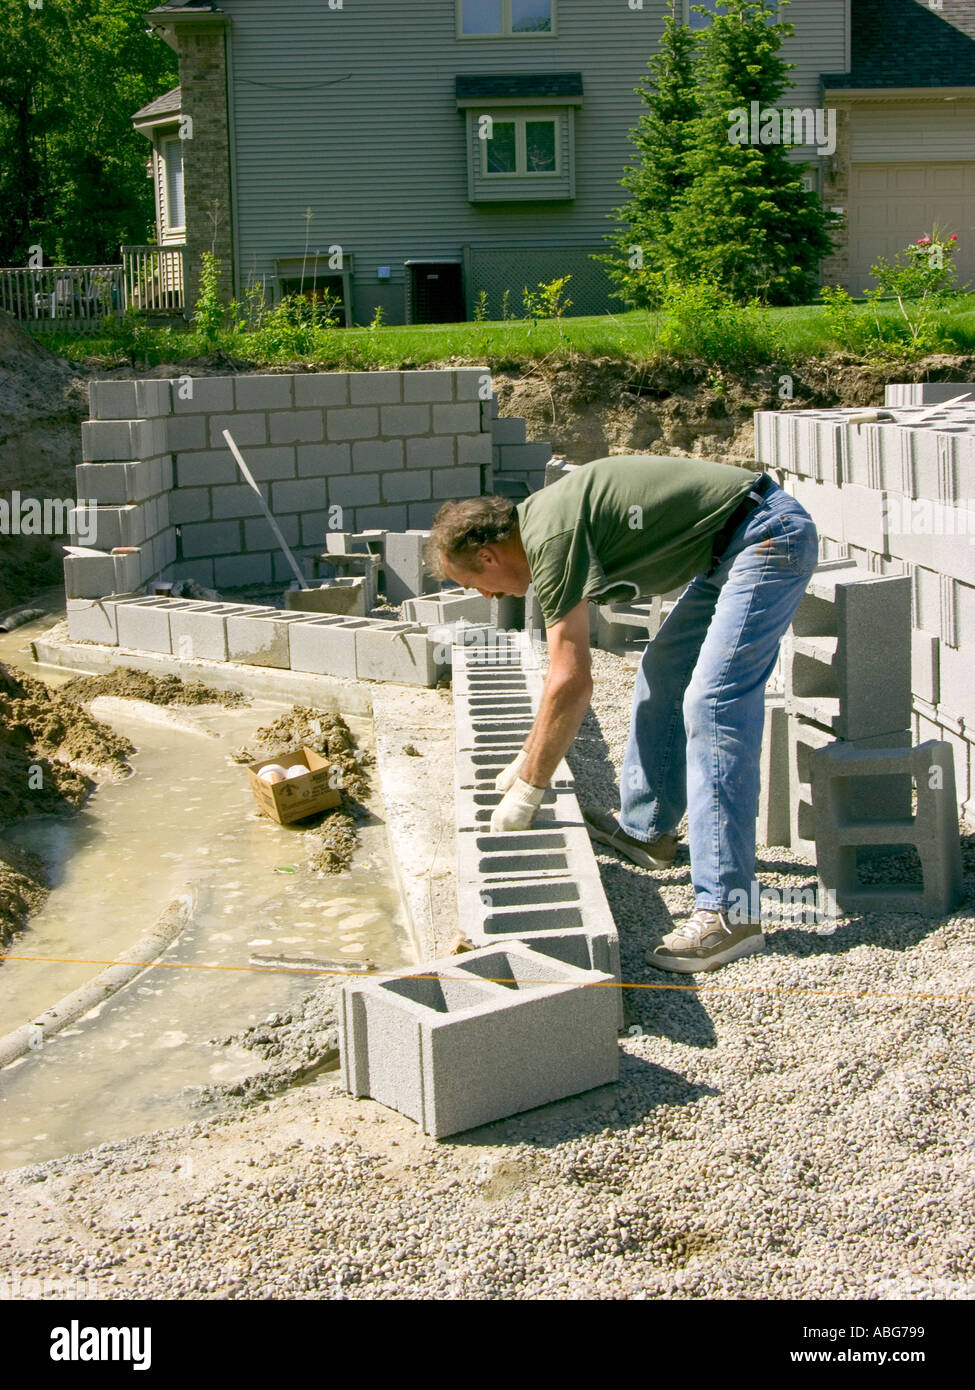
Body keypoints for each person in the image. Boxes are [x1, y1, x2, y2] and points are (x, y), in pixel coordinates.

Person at [426, 454, 819, 974]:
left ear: (489, 554)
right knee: (665, 669)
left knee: (713, 701)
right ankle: (648, 831)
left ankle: (730, 912)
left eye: (471, 581)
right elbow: (561, 679)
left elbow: (571, 680)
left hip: (767, 535)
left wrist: (531, 787)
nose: (482, 594)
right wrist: (527, 755)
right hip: (725, 548)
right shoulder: (543, 526)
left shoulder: (549, 538)